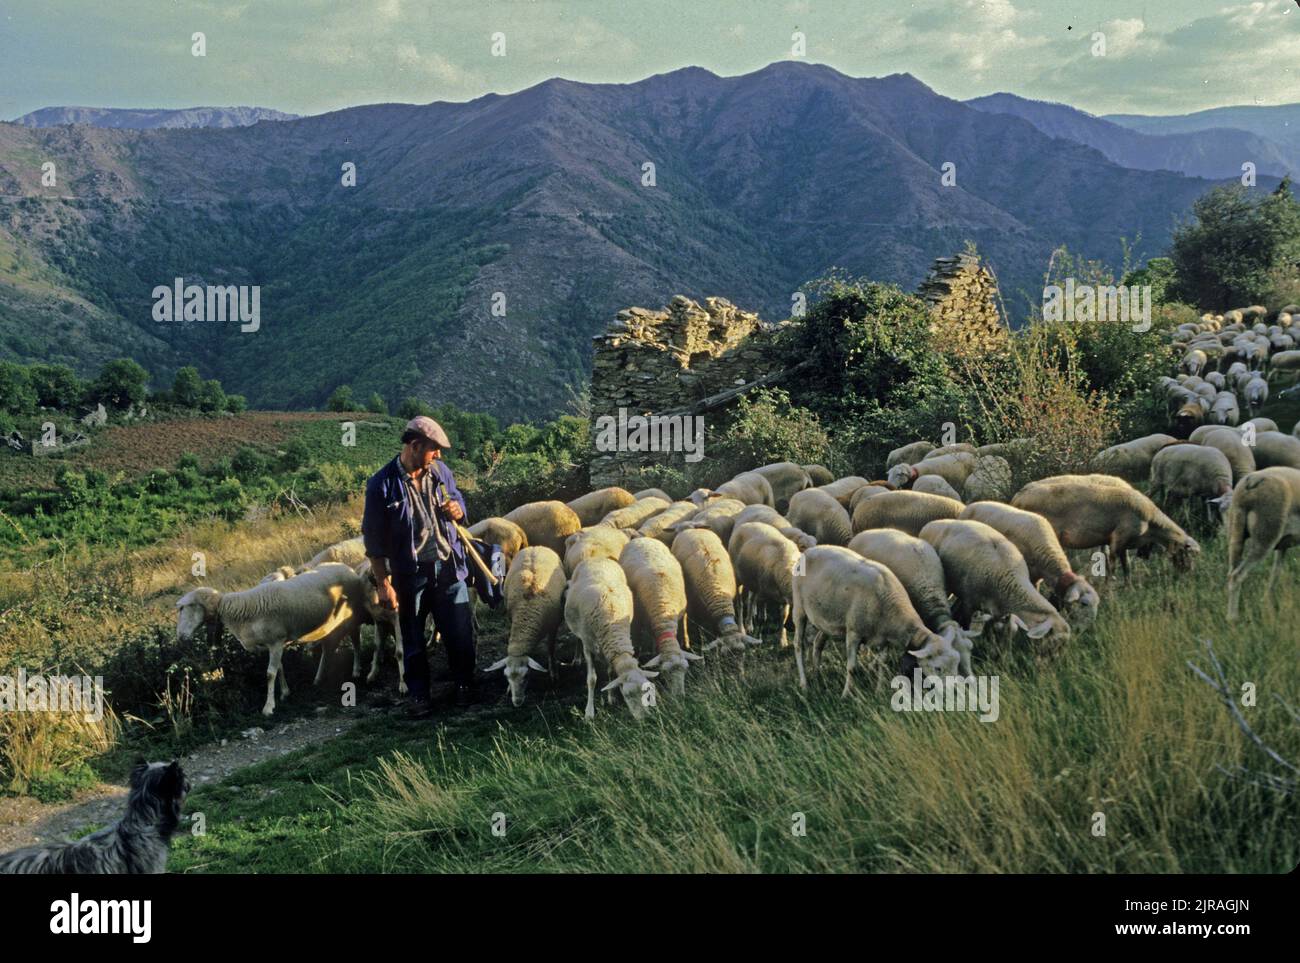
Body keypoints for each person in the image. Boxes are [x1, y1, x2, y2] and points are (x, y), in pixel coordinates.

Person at [362, 415, 477, 716]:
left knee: (459, 631)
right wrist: (383, 585)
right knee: (412, 636)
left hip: (448, 565)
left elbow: (459, 503)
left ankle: (464, 684)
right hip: (410, 574)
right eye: (433, 449)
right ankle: (419, 696)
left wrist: (457, 509)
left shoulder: (440, 472)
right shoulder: (381, 485)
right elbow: (373, 542)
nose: (438, 455)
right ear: (414, 446)